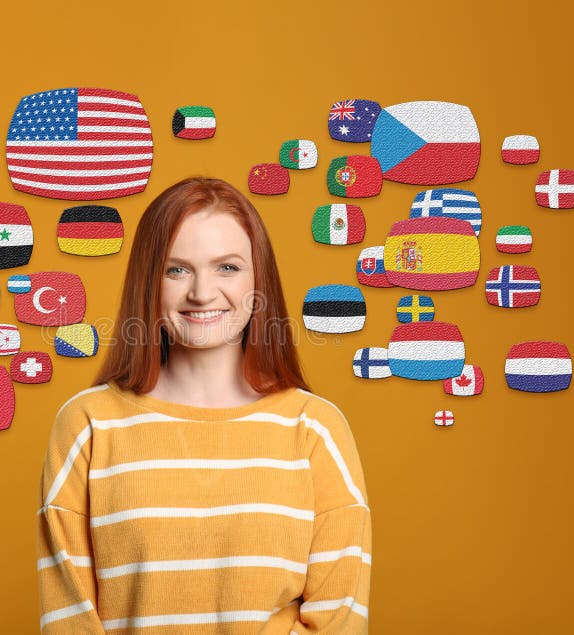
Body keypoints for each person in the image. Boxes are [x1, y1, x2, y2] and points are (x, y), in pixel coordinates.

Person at [37, 177, 371, 634]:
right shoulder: (87, 425)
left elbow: (338, 621)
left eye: (227, 267)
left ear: (259, 279)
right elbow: (69, 617)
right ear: (147, 282)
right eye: (176, 270)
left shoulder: (316, 429)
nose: (201, 292)